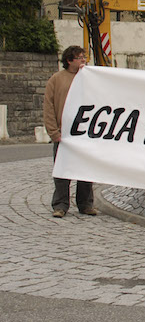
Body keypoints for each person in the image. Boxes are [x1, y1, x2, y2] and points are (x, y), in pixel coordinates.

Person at [44, 46, 96, 218]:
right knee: (62, 172)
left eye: (84, 57)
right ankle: (60, 205)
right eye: (79, 57)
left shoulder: (89, 78)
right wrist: (54, 132)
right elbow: (49, 107)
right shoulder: (56, 80)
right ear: (69, 60)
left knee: (85, 171)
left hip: (84, 134)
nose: (83, 60)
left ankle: (85, 204)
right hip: (63, 134)